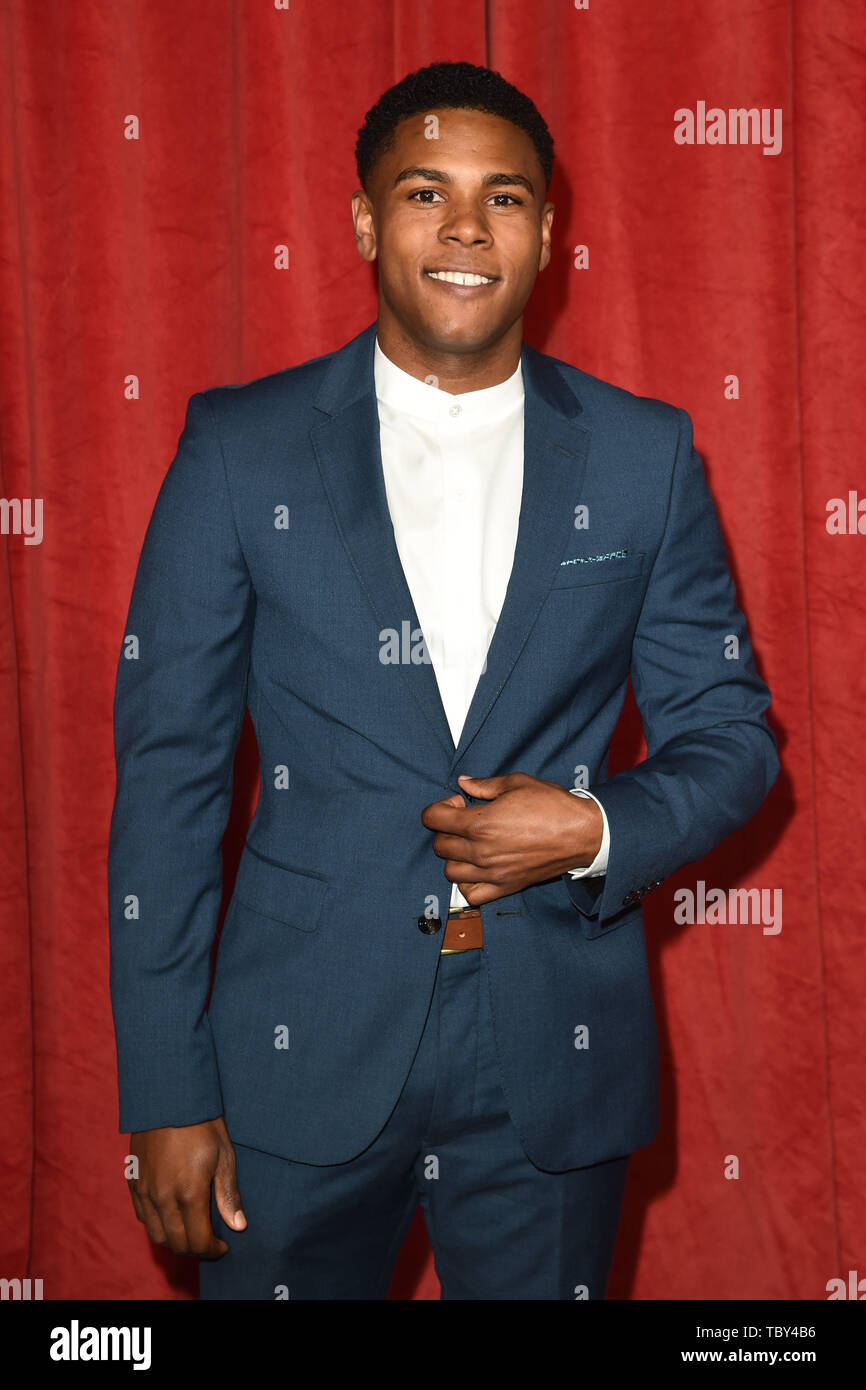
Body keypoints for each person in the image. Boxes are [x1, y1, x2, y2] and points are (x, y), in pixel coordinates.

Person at [108, 60, 779, 1300]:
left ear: (547, 232)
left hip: (549, 1058)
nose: (465, 228)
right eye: (425, 191)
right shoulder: (235, 444)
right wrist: (163, 1089)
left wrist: (588, 828)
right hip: (293, 1054)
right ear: (366, 222)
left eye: (504, 197)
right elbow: (167, 785)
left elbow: (732, 737)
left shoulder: (644, 455)